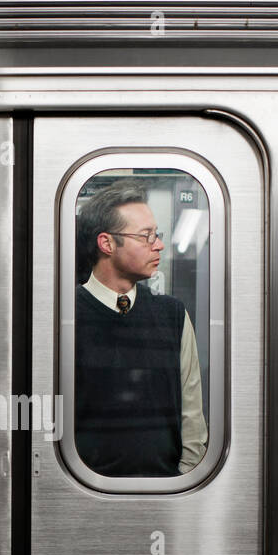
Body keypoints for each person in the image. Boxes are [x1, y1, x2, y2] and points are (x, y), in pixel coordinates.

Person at [74, 181, 207, 477]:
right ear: (107, 244)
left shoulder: (172, 315)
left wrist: (184, 481)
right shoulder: (64, 317)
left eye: (156, 235)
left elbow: (192, 414)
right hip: (85, 494)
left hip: (166, 490)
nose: (158, 244)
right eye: (146, 236)